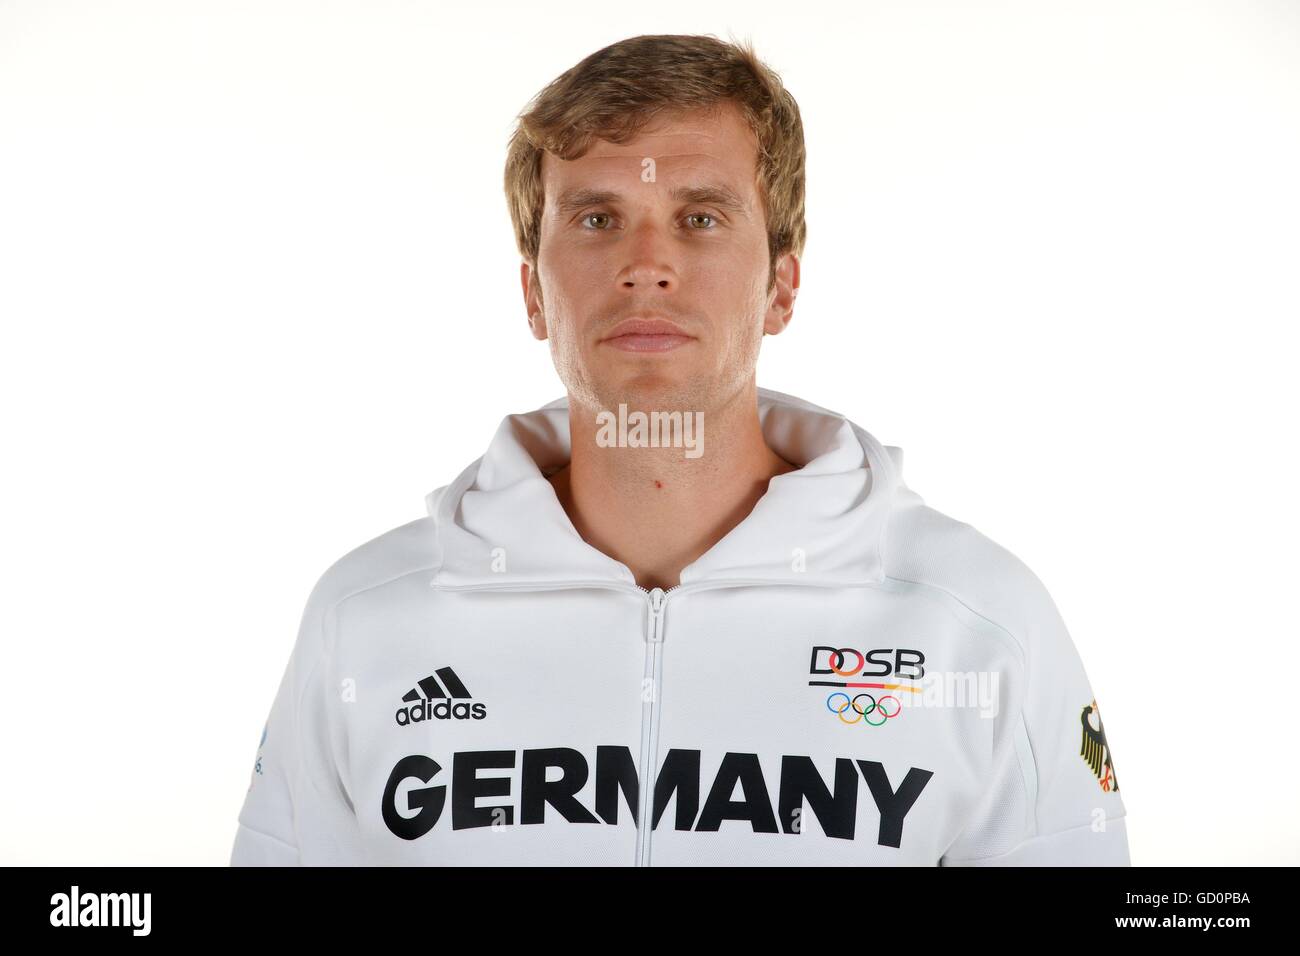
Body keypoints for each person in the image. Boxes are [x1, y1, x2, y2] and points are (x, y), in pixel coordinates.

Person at [230, 33, 1128, 866]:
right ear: (533, 293)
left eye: (700, 218)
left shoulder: (976, 625)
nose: (646, 263)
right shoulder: (364, 622)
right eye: (595, 220)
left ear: (783, 283)